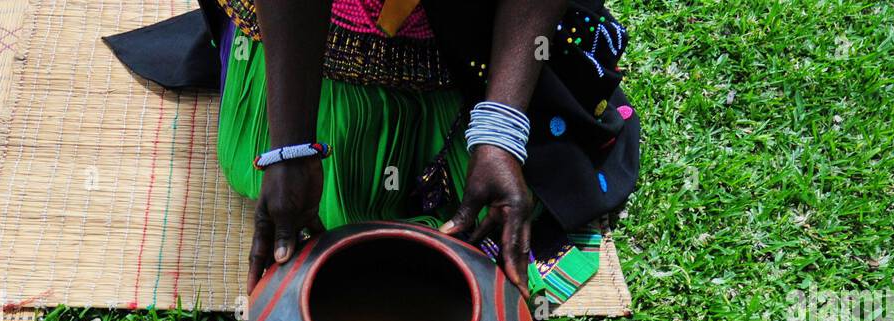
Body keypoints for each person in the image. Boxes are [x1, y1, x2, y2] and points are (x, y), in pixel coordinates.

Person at [105, 0, 640, 305]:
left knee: (470, 208)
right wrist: (290, 147)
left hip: (470, 31)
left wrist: (500, 129)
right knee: (344, 203)